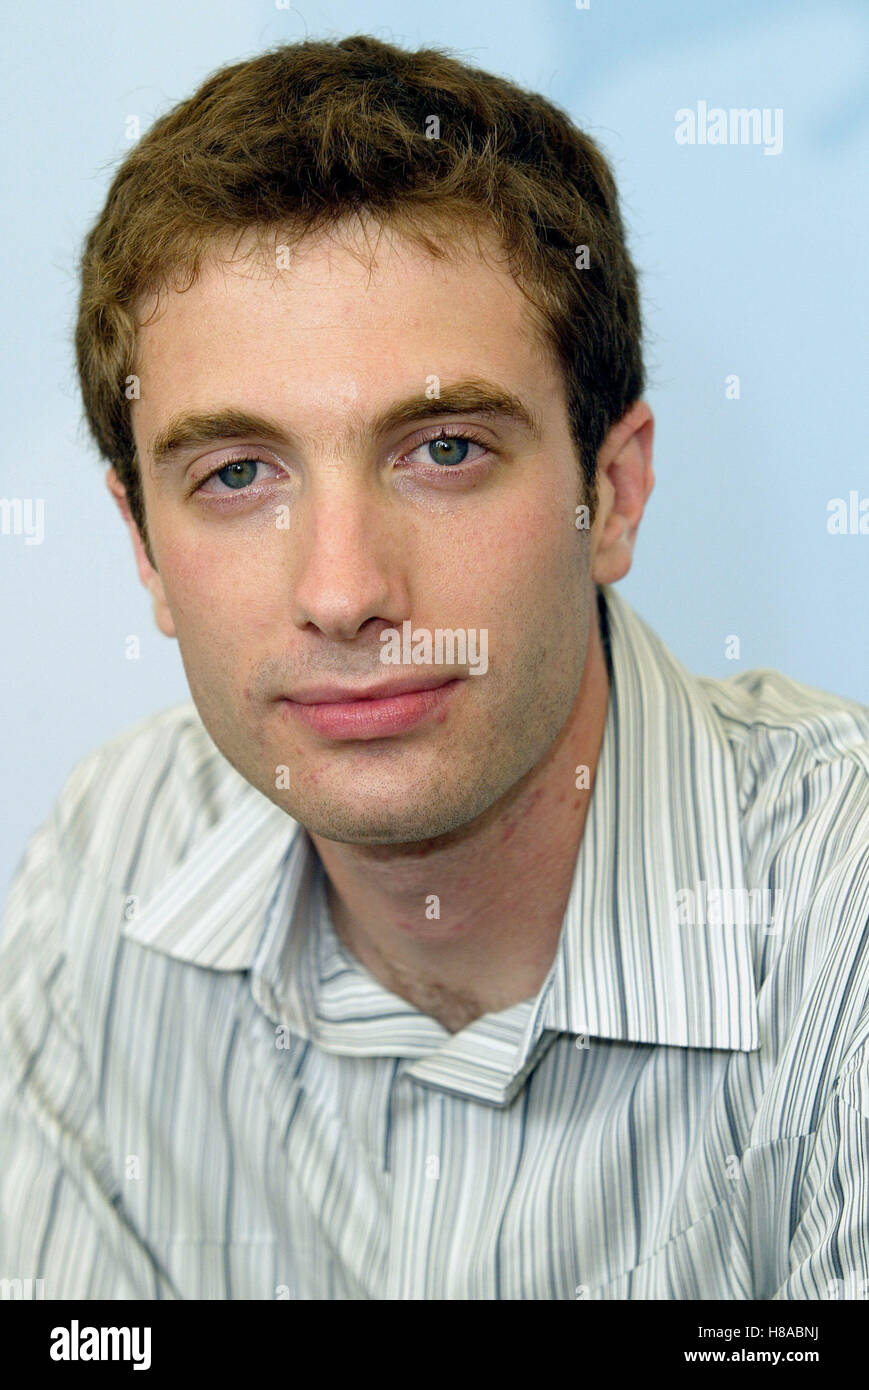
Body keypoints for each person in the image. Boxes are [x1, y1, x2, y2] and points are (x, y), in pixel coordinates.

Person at [1, 33, 867, 1301]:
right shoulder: (108, 864)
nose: (344, 592)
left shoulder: (840, 914)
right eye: (237, 475)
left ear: (610, 496)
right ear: (143, 546)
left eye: (444, 449)